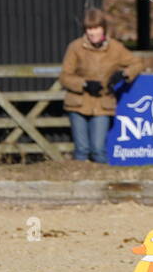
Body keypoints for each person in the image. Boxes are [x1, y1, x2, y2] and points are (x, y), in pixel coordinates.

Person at [59, 9, 145, 163]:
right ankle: (80, 183)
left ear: (103, 28)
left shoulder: (115, 48)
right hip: (78, 103)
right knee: (81, 150)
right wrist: (84, 84)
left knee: (98, 150)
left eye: (96, 28)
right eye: (89, 29)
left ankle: (100, 182)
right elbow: (64, 76)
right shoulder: (75, 47)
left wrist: (123, 74)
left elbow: (137, 63)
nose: (93, 32)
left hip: (102, 104)